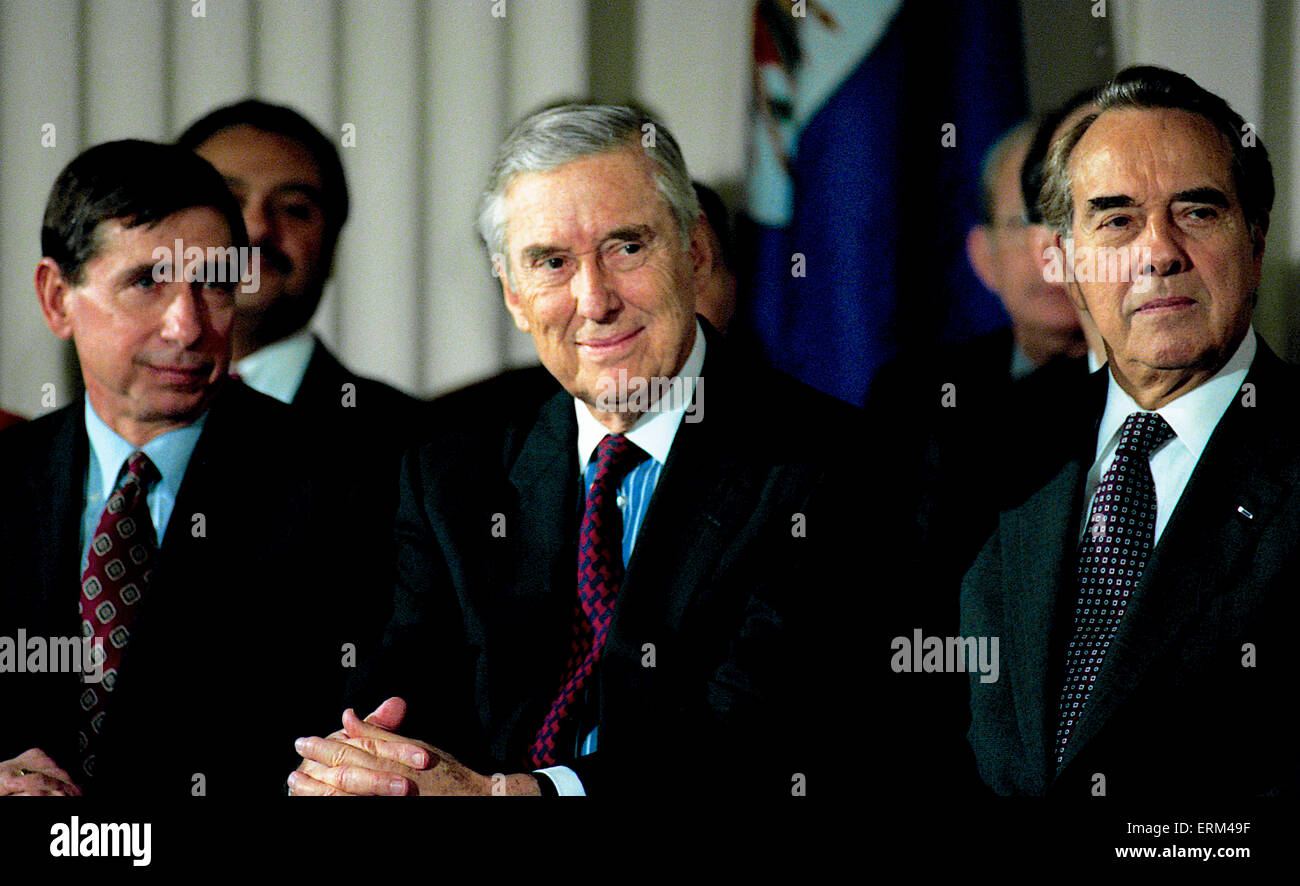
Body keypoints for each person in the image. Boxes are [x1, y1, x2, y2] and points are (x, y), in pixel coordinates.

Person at [288, 103, 864, 797]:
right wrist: (369, 768)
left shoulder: (830, 463)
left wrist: (524, 797)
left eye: (627, 247)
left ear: (695, 252)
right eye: (551, 263)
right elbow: (404, 692)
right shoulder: (452, 477)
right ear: (513, 295)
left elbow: (754, 739)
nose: (593, 300)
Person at [963, 66, 1297, 797]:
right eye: (1116, 219)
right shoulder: (985, 455)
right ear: (1061, 261)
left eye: (1198, 213)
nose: (1157, 252)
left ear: (1255, 238)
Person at [0, 140, 369, 796]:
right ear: (57, 298)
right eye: (148, 282)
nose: (188, 326)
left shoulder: (345, 487)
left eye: (216, 285)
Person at [177, 99, 422, 432]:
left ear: (332, 246)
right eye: (227, 202)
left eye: (293, 209)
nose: (257, 228)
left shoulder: (411, 439)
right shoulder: (102, 414)